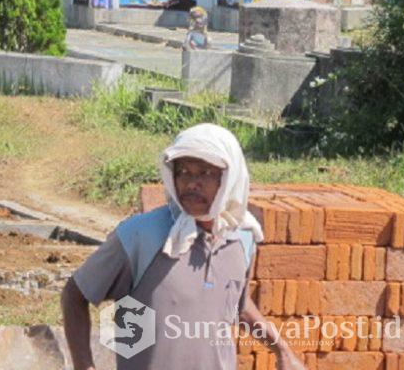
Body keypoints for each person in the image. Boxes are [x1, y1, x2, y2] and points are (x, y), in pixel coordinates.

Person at [61, 124, 306, 370]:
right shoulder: (141, 235)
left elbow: (235, 306)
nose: (191, 183)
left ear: (230, 178)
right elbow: (75, 293)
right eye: (183, 171)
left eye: (205, 173)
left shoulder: (241, 237)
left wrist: (281, 349)